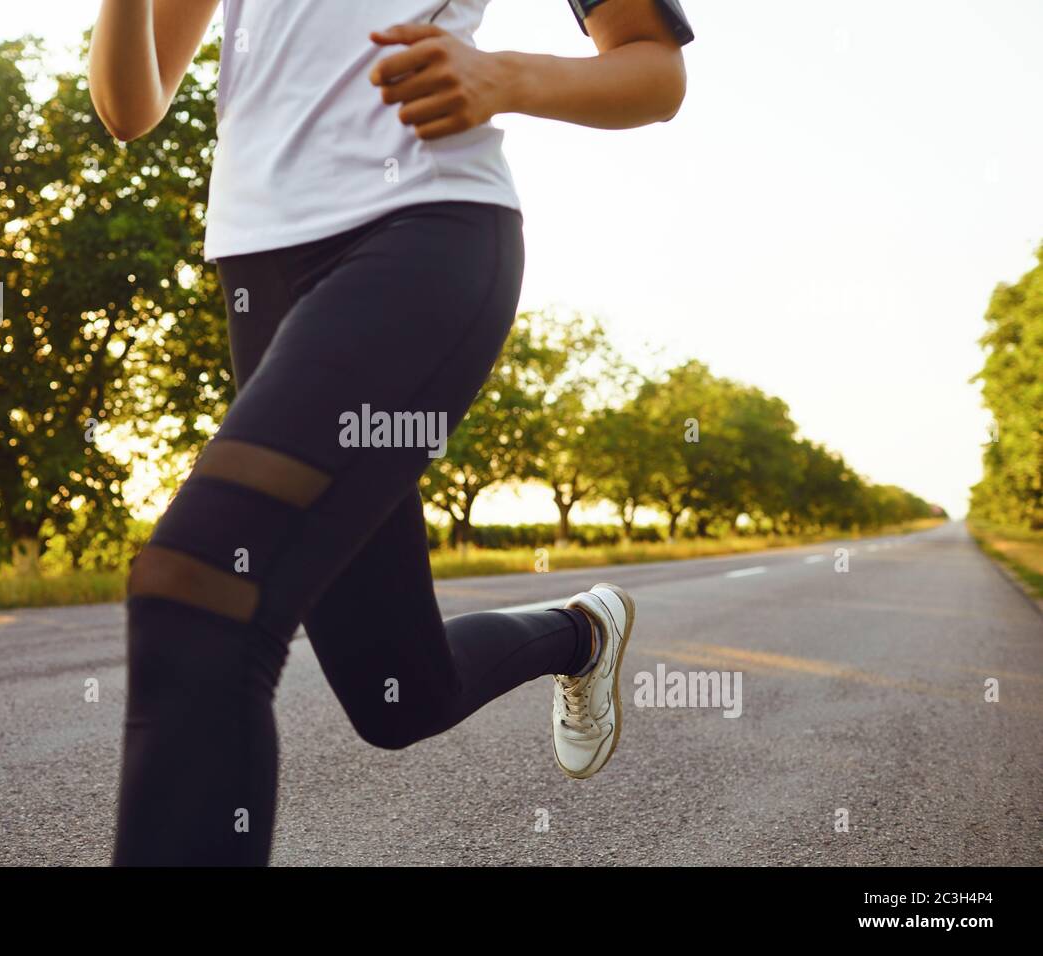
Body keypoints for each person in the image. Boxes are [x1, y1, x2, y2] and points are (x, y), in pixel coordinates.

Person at [88, 0, 692, 866]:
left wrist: (504, 77)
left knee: (199, 590)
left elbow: (654, 68)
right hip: (262, 278)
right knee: (398, 695)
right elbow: (130, 108)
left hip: (424, 234)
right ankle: (581, 632)